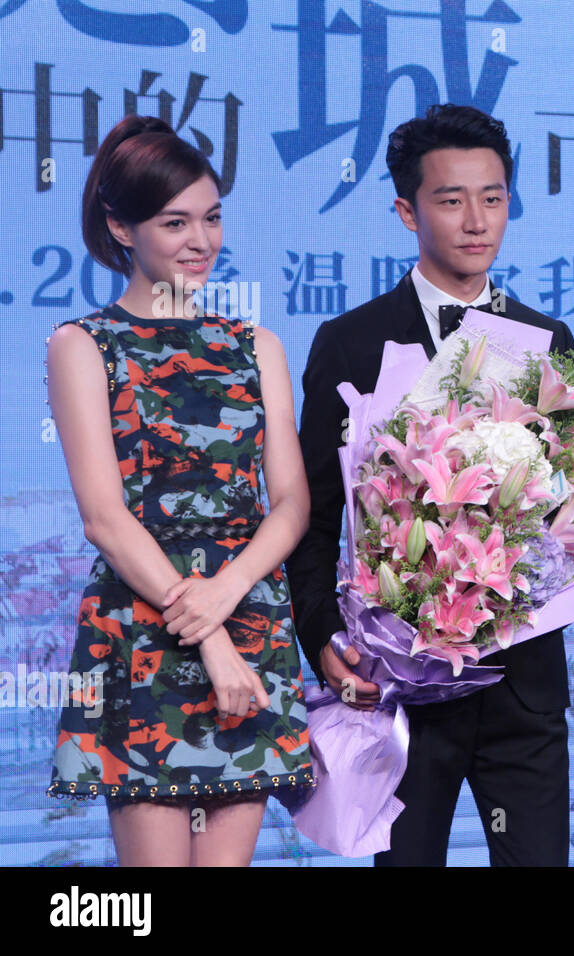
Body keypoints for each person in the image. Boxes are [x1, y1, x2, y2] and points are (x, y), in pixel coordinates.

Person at [287, 104, 574, 866]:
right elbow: (314, 516)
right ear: (405, 210)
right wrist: (324, 639)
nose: (477, 220)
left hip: (523, 685)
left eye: (494, 196)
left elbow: (571, 512)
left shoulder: (548, 339)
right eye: (451, 200)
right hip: (402, 690)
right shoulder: (349, 341)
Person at [45, 114, 314, 866]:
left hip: (250, 609)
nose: (201, 241)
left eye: (212, 217)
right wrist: (214, 637)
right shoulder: (83, 345)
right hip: (144, 626)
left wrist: (230, 593)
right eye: (174, 222)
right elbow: (104, 517)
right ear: (120, 227)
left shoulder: (256, 347)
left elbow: (290, 502)